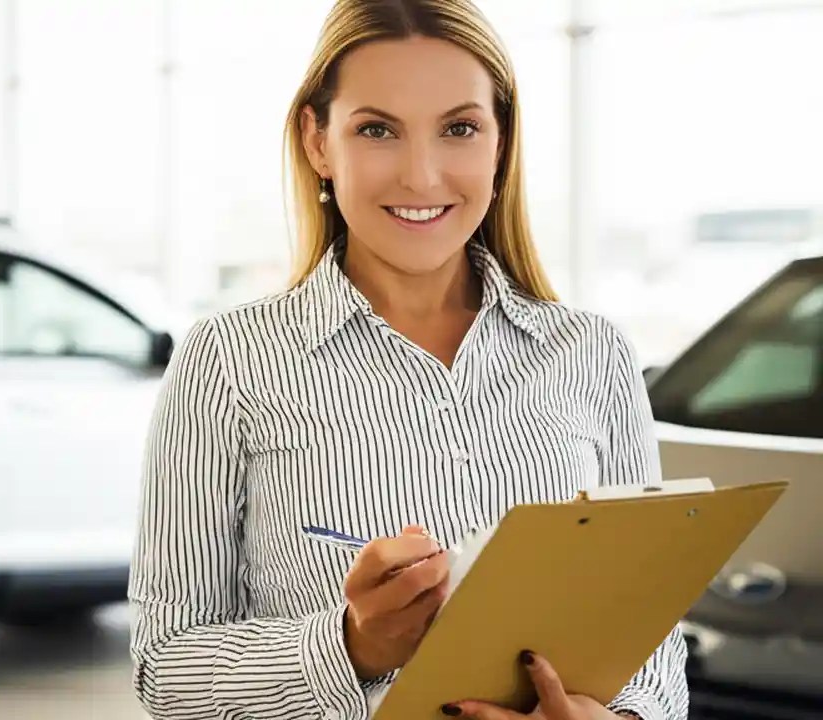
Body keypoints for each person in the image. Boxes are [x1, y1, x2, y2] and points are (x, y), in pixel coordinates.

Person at [127, 0, 689, 718]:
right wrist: (352, 645)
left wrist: (622, 717)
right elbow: (166, 673)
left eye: (459, 128)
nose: (422, 177)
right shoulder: (230, 361)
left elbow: (653, 632)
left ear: (500, 142)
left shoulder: (592, 353)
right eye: (377, 130)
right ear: (318, 141)